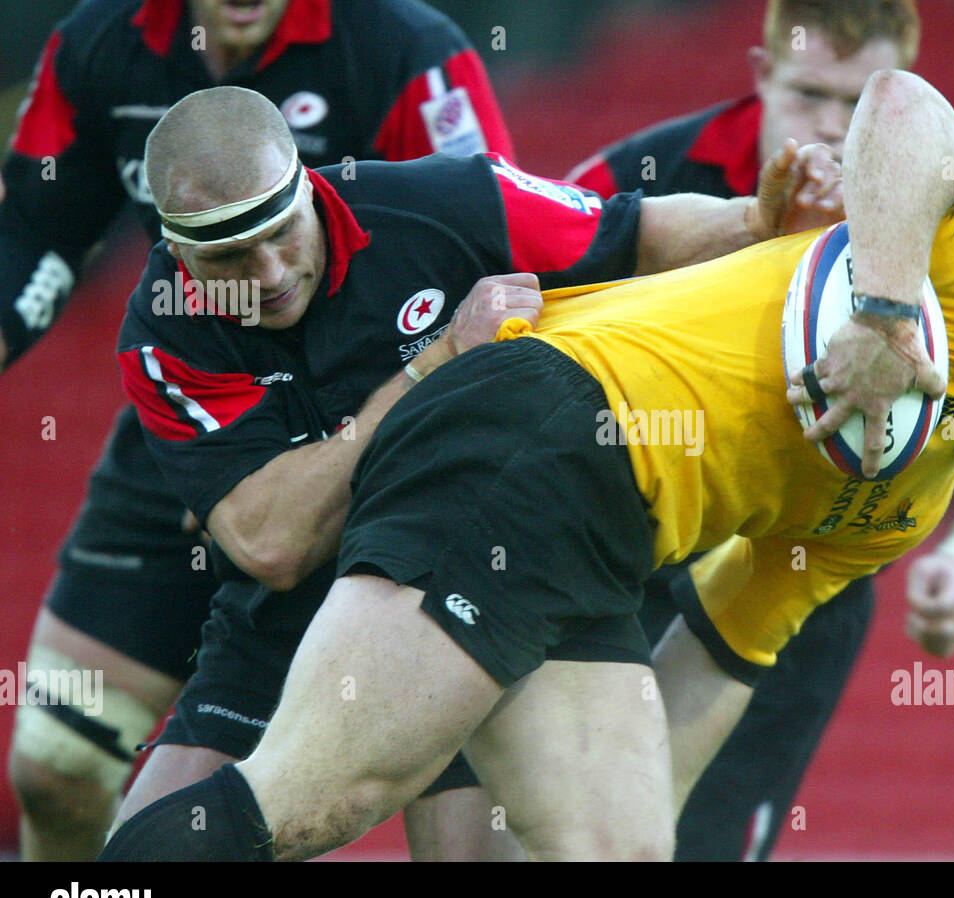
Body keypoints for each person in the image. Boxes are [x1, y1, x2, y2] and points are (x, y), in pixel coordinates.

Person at [99, 68, 954, 862]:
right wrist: (889, 308)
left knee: (623, 845)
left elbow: (709, 664)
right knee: (313, 800)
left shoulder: (907, 504)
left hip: (601, 534)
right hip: (537, 430)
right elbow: (903, 104)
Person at [90, 81, 839, 855]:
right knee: (138, 861)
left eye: (283, 232)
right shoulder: (162, 330)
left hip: (476, 572)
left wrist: (754, 219)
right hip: (287, 618)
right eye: (230, 257)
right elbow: (273, 544)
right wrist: (432, 365)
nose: (271, 271)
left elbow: (636, 231)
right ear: (177, 253)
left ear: (310, 188)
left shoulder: (449, 200)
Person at [1, 0, 517, 862]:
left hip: (386, 455)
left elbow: (488, 235)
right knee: (54, 766)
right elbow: (33, 227)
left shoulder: (407, 51)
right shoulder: (96, 49)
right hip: (199, 429)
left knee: (461, 837)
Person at [567, 0, 954, 860]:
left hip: (795, 566)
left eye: (853, 101)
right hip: (622, 542)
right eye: (807, 94)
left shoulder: (935, 208)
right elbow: (539, 295)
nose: (831, 125)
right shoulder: (640, 176)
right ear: (759, 73)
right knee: (573, 828)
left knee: (703, 845)